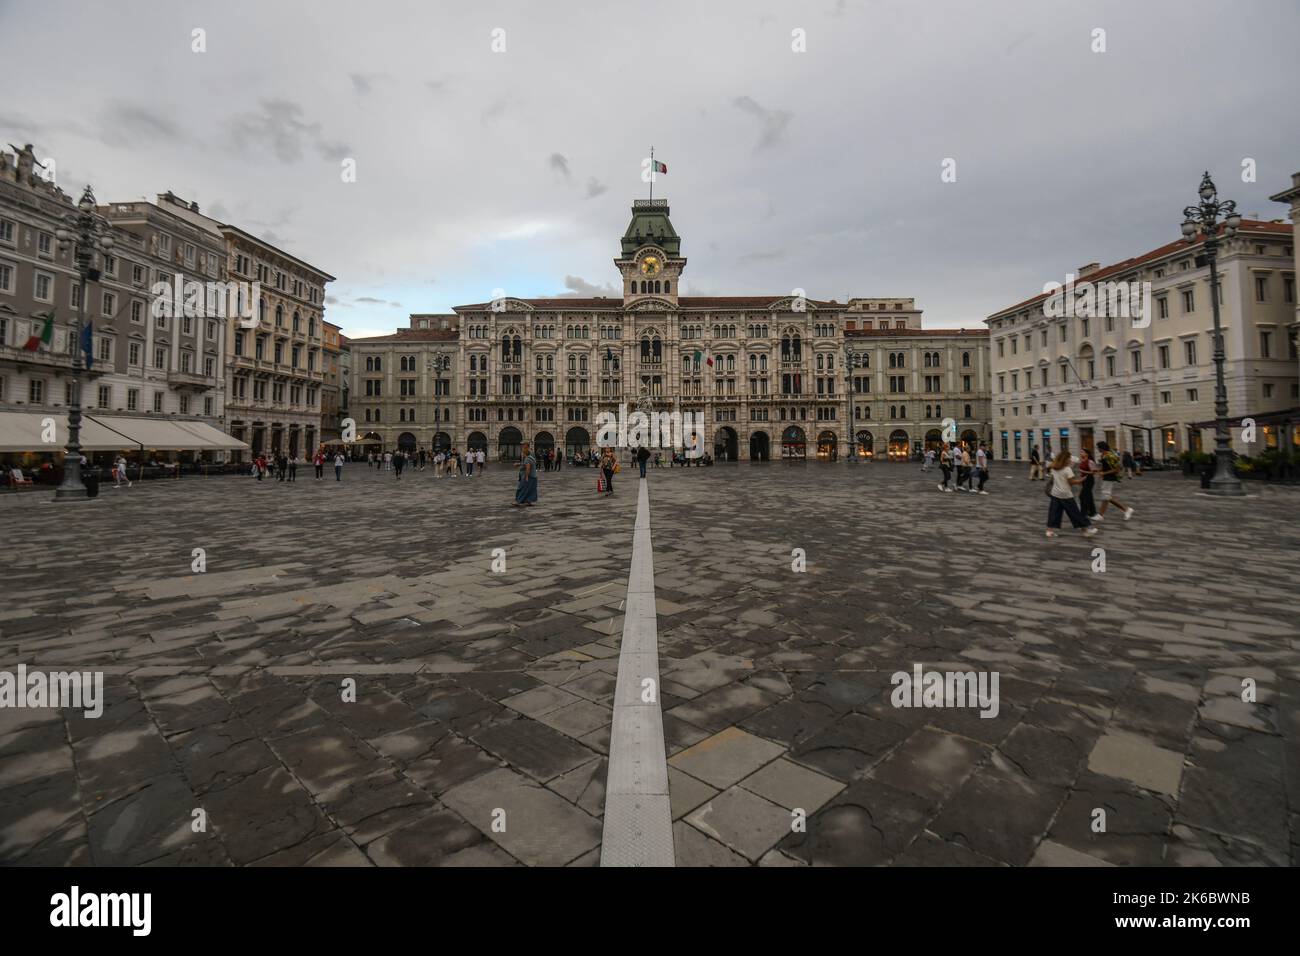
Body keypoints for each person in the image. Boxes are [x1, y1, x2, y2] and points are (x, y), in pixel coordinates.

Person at [1046, 449, 1097, 538]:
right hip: (1066, 495)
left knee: (1054, 512)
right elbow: (1071, 482)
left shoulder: (1054, 467)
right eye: (1069, 458)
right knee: (1075, 513)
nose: (1070, 459)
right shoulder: (1067, 469)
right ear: (1065, 459)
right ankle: (1085, 531)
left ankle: (1049, 531)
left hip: (1055, 493)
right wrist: (1081, 480)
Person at [1095, 442, 1135, 521]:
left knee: (1106, 496)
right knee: (1106, 497)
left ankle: (1101, 515)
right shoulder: (1104, 455)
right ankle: (1125, 510)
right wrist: (1098, 470)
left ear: (1101, 448)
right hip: (1106, 478)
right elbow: (1106, 467)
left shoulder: (1110, 455)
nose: (1097, 449)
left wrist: (1104, 473)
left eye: (1098, 447)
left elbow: (1117, 469)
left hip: (1110, 478)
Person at [514, 442, 537, 506]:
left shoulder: (529, 453)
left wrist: (526, 476)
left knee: (522, 488)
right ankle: (528, 500)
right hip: (531, 474)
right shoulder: (528, 454)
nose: (522, 446)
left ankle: (519, 501)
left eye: (523, 444)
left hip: (527, 474)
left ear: (526, 445)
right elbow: (526, 463)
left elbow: (528, 465)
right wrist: (520, 464)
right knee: (530, 488)